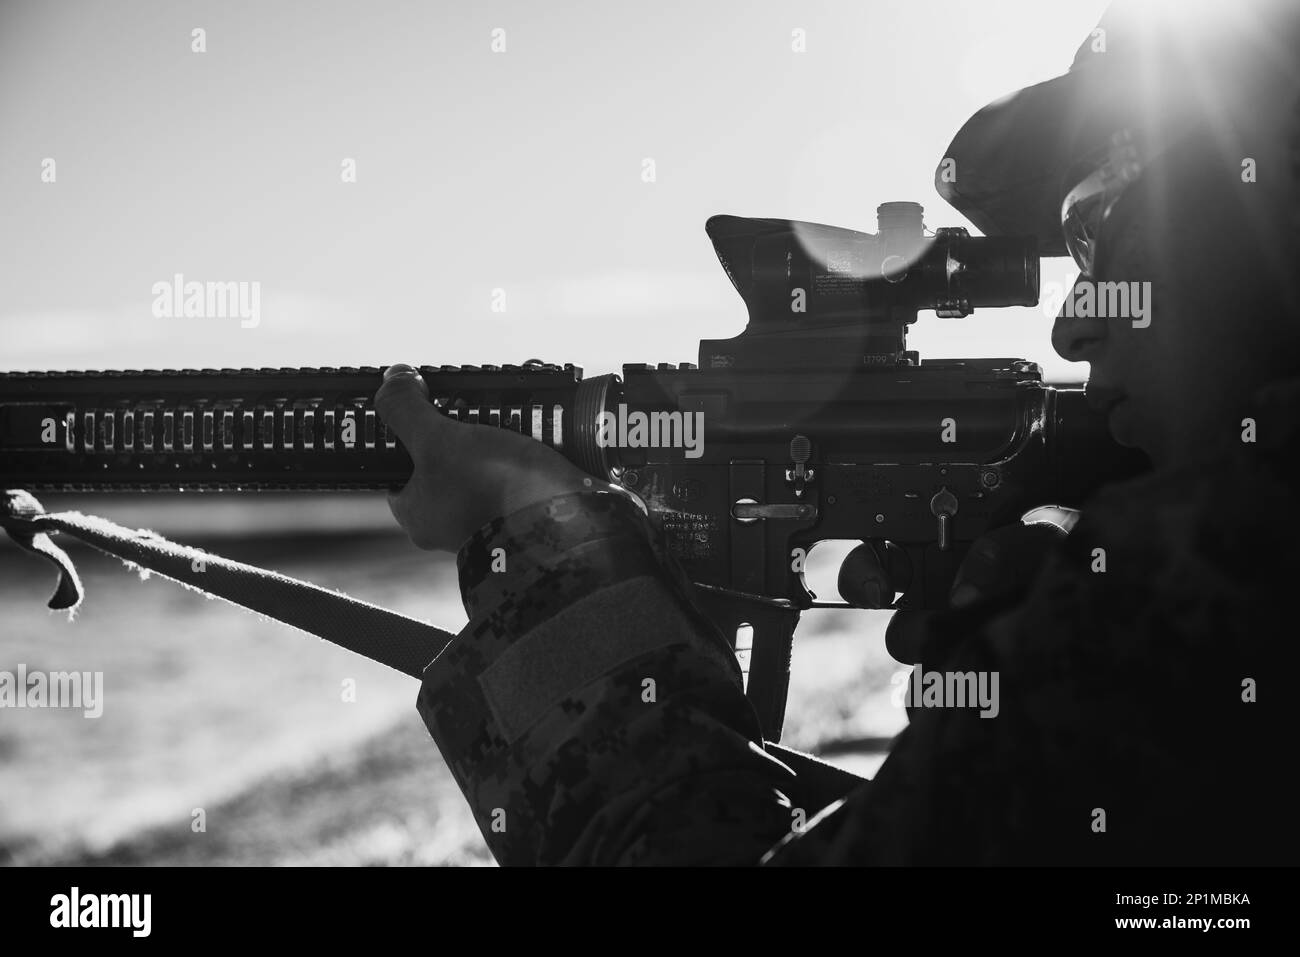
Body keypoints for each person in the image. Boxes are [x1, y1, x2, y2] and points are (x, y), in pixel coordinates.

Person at [374, 0, 1300, 864]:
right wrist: (1033, 657)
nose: (1071, 323)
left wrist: (540, 535)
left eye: (1097, 224)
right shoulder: (1193, 591)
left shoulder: (1208, 586)